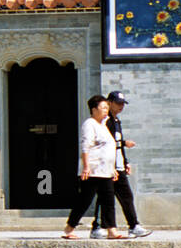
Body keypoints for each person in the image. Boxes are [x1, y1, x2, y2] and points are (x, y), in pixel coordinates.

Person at [90, 90, 152, 239]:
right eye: (117, 103)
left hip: (118, 166)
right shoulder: (105, 122)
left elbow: (117, 147)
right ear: (109, 103)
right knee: (104, 198)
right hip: (107, 167)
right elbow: (106, 144)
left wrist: (125, 162)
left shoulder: (117, 122)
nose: (120, 107)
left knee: (127, 197)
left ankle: (134, 225)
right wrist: (124, 143)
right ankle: (97, 227)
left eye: (122, 104)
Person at [63, 95, 126, 240]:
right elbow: (85, 146)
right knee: (84, 200)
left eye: (106, 108)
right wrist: (86, 167)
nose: (106, 110)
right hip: (92, 171)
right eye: (103, 107)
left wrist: (113, 169)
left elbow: (108, 149)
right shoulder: (89, 124)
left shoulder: (103, 125)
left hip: (105, 172)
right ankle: (69, 228)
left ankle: (112, 230)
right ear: (94, 109)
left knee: (108, 201)